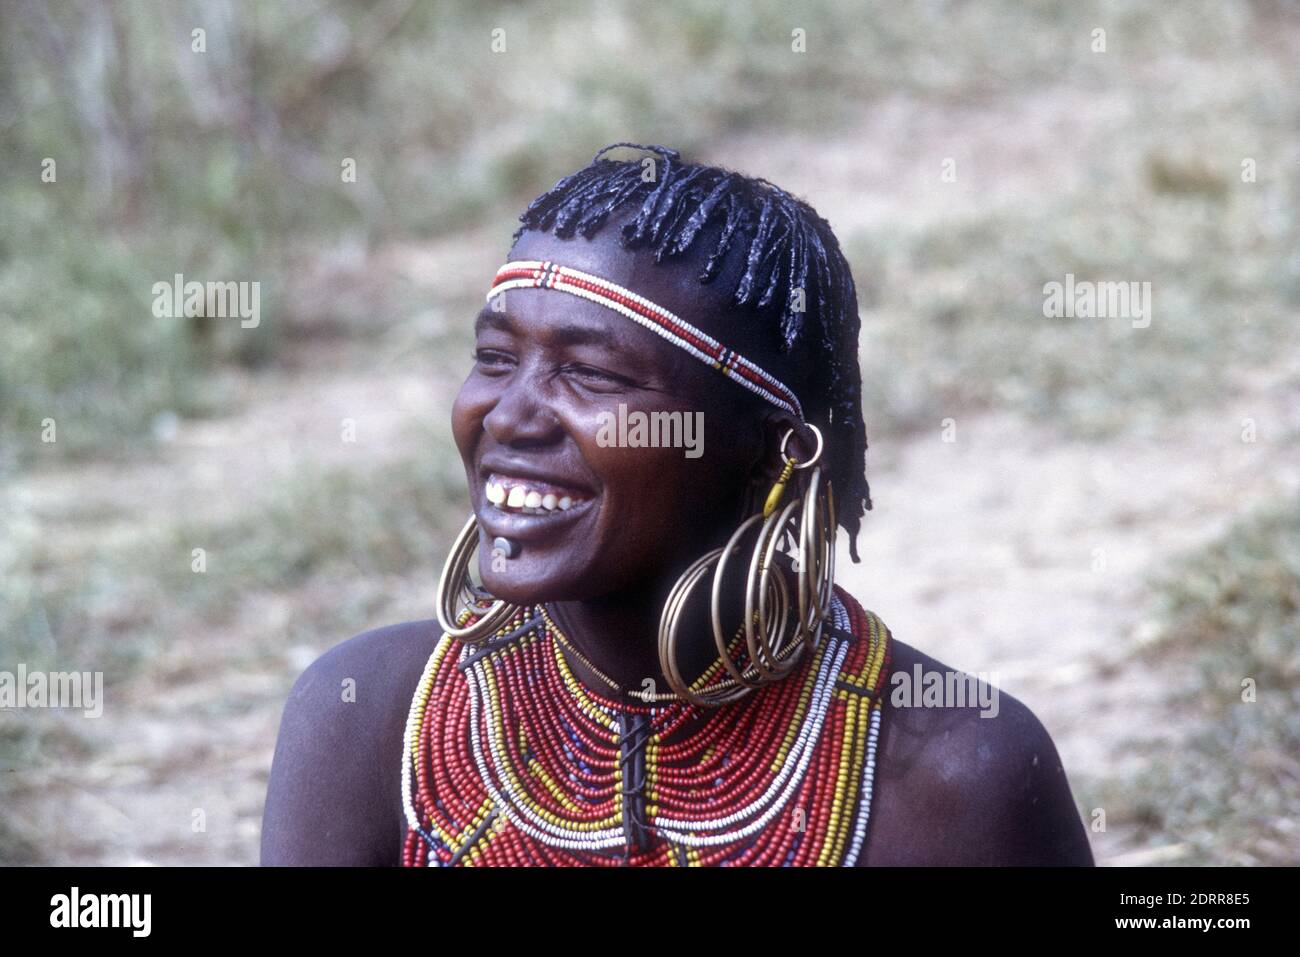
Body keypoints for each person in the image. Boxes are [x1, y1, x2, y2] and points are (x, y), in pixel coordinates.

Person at [261, 143, 1094, 866]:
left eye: (591, 374)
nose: (509, 415)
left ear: (771, 446)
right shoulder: (370, 719)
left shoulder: (950, 773)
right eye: (493, 357)